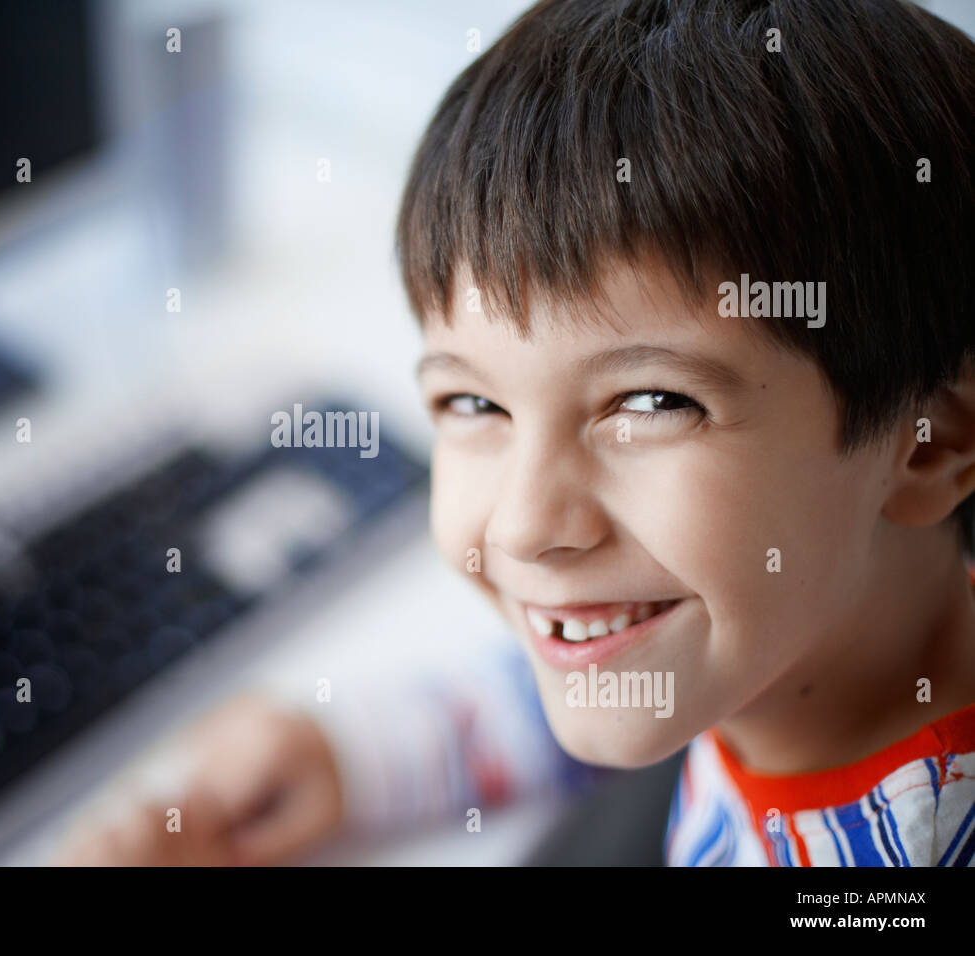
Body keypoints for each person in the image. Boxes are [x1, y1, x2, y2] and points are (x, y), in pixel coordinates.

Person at [56, 0, 975, 866]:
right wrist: (350, 757)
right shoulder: (807, 647)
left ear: (931, 442)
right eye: (474, 405)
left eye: (652, 404)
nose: (525, 525)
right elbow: (603, 674)